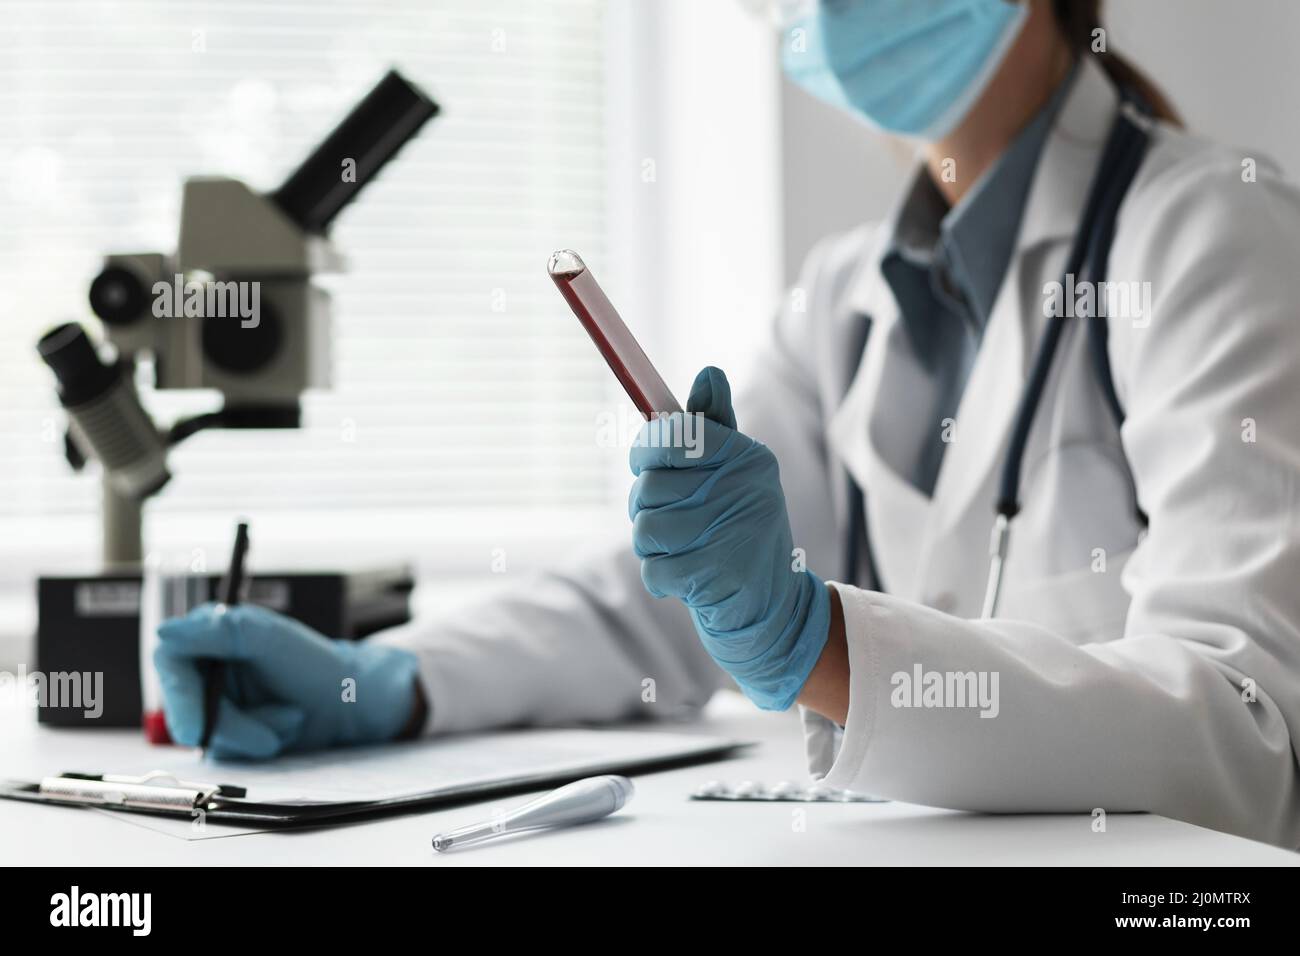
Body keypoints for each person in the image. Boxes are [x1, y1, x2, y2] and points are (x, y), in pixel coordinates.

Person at [154, 0, 1300, 849]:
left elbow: (1247, 734)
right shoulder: (843, 294)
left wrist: (819, 644)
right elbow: (648, 605)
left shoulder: (1209, 232)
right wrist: (388, 680)